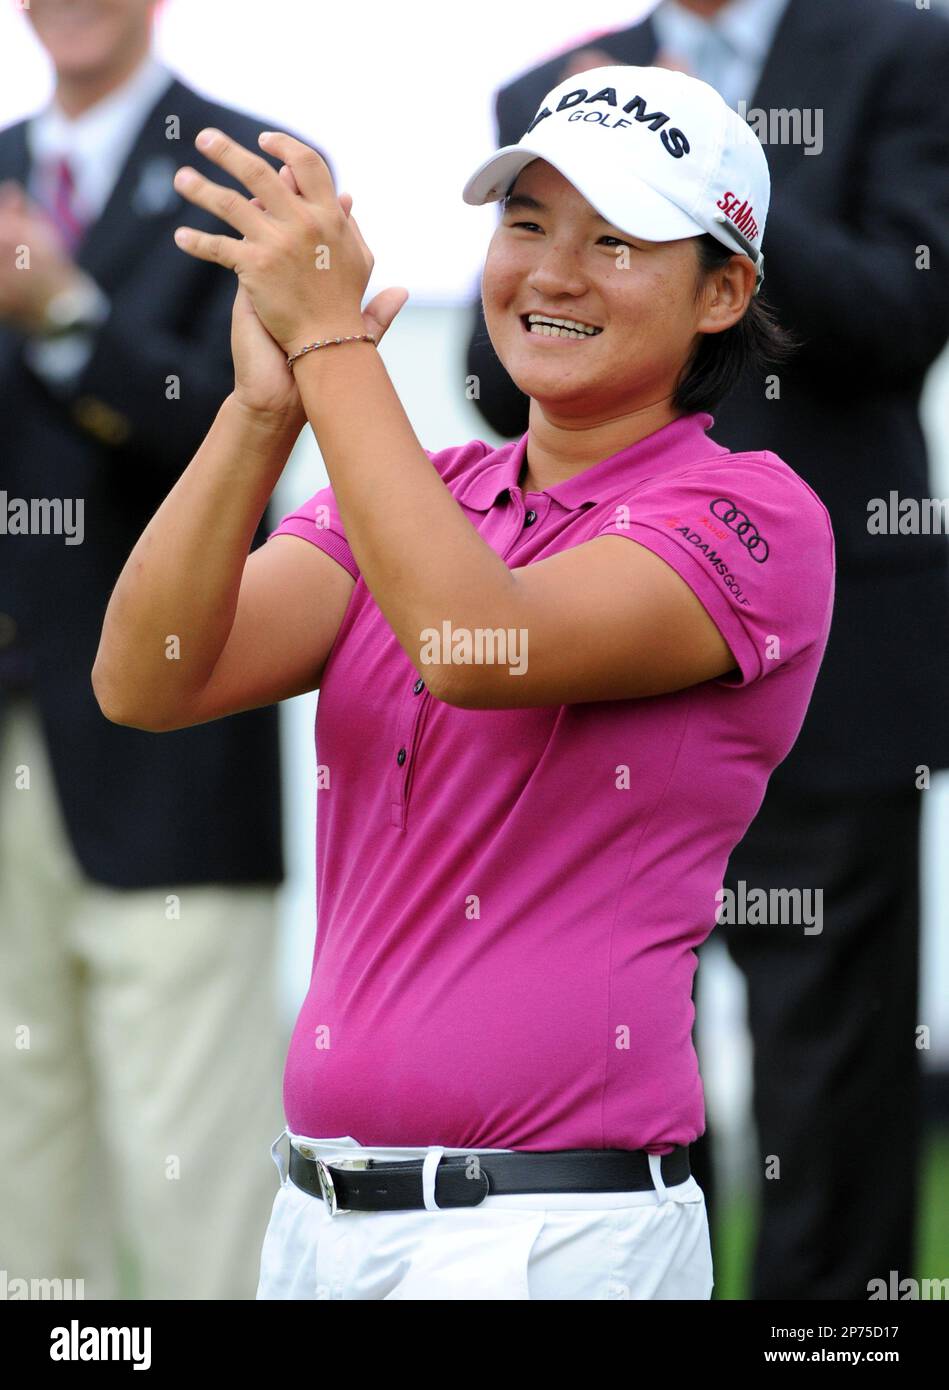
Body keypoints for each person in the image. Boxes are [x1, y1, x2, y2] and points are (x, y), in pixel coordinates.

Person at [92, 64, 835, 1300]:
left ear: (724, 292)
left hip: (547, 1240)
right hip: (319, 1220)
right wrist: (262, 413)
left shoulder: (753, 512)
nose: (551, 271)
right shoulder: (426, 494)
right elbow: (149, 677)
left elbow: (475, 645)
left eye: (616, 240)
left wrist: (332, 340)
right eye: (527, 223)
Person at [465, 0, 949, 1300]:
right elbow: (490, 373)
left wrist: (700, 175)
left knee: (832, 1075)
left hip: (835, 658)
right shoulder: (546, 89)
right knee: (604, 1057)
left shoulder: (903, 48)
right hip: (598, 664)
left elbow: (906, 311)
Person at [0, 0, 330, 1299]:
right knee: (21, 1160)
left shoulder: (259, 172)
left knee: (195, 1158)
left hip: (169, 749)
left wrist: (68, 310)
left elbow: (242, 451)